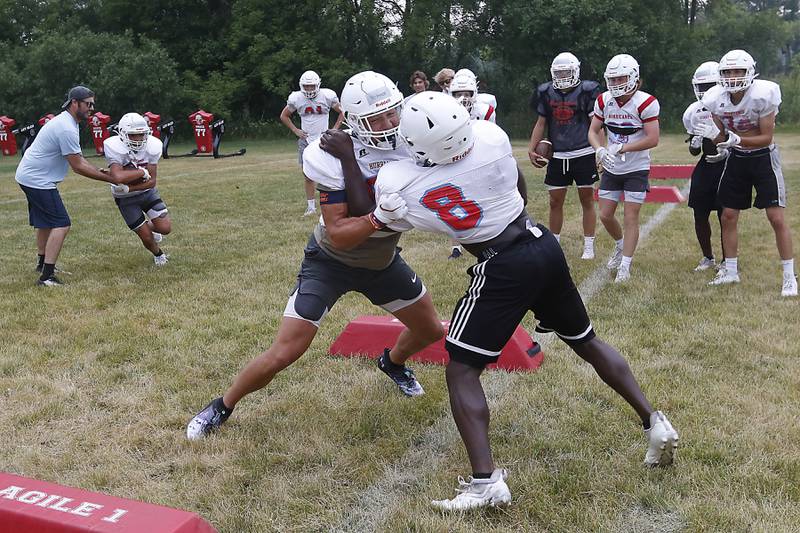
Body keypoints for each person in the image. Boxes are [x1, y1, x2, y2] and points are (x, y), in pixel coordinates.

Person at [375, 91, 678, 511]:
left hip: (501, 264)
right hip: (542, 244)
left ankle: (485, 483)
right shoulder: (492, 138)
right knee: (587, 342)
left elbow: (391, 205)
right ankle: (654, 422)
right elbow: (511, 180)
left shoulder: (407, 186)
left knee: (462, 369)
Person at [186, 71, 445, 440]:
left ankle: (393, 362)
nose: (391, 123)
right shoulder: (332, 152)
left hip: (382, 261)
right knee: (286, 350)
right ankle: (221, 406)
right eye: (379, 117)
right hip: (331, 262)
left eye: (394, 113)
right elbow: (340, 234)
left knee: (430, 329)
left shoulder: (415, 139)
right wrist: (377, 217)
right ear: (356, 119)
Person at [15, 85, 146, 286]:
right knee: (61, 223)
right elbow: (78, 166)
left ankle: (42, 264)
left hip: (30, 176)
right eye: (87, 104)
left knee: (46, 222)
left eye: (92, 104)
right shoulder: (66, 127)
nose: (91, 108)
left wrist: (104, 172)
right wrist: (112, 178)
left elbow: (80, 160)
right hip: (37, 180)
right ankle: (47, 277)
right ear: (74, 102)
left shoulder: (68, 122)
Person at [694, 50, 797, 297]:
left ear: (749, 72)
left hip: (763, 159)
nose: (732, 77)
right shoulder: (715, 98)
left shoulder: (764, 94)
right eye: (728, 72)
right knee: (728, 215)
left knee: (776, 217)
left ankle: (789, 276)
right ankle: (730, 271)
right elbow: (722, 137)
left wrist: (735, 138)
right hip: (737, 158)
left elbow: (765, 137)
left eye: (737, 71)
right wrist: (712, 135)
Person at [588, 54, 660, 282]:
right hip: (612, 166)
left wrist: (624, 148)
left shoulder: (646, 102)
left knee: (631, 217)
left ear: (633, 77)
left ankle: (625, 266)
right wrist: (599, 149)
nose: (617, 83)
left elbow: (653, 139)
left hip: (637, 167)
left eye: (621, 78)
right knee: (606, 215)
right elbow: (593, 131)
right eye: (613, 79)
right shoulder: (603, 100)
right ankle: (620, 246)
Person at [529, 52, 602, 260]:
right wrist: (532, 147)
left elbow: (596, 125)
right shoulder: (546, 92)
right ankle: (555, 244)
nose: (562, 77)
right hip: (558, 154)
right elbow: (541, 122)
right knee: (554, 201)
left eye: (566, 72)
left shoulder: (587, 91)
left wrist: (600, 151)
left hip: (584, 152)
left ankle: (589, 245)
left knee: (587, 199)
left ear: (576, 71)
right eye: (558, 73)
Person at [103, 113, 171, 266]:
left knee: (165, 228)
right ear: (122, 134)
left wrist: (129, 187)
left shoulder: (153, 146)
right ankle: (158, 254)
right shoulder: (114, 147)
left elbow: (152, 181)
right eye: (134, 135)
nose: (139, 139)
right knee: (146, 237)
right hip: (126, 200)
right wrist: (141, 172)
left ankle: (149, 228)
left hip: (146, 193)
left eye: (142, 135)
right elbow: (118, 176)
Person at [445, 71, 498, 260]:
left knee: (484, 200)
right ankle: (456, 246)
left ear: (475, 92)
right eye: (458, 94)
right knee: (454, 202)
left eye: (467, 93)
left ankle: (488, 240)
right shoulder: (443, 109)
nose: (463, 98)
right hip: (453, 158)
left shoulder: (485, 110)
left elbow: (490, 136)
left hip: (479, 157)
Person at [280, 70, 345, 216]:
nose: (309, 89)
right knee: (307, 175)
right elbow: (284, 116)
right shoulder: (296, 98)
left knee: (331, 173)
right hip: (306, 140)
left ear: (318, 85)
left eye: (312, 86)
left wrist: (334, 130)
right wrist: (296, 130)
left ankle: (333, 203)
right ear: (302, 86)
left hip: (324, 139)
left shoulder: (327, 96)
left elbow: (342, 112)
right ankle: (311, 207)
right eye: (306, 86)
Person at [682, 62, 727, 272]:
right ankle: (708, 257)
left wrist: (725, 147)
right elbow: (694, 152)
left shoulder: (729, 106)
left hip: (727, 163)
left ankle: (729, 260)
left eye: (711, 85)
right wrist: (695, 143)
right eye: (703, 86)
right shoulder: (694, 111)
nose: (707, 91)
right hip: (706, 163)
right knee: (699, 212)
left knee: (725, 213)